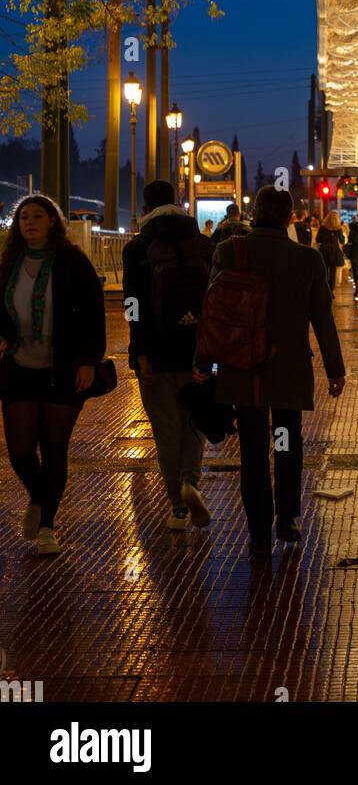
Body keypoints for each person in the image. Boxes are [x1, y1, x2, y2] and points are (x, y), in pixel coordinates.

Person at [195, 185, 345, 558]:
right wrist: (334, 368)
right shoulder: (307, 259)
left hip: (242, 372)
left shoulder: (231, 251)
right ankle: (288, 519)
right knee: (286, 442)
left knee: (252, 451)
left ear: (255, 212)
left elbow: (211, 310)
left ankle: (258, 529)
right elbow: (322, 318)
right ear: (289, 217)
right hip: (287, 373)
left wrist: (202, 361)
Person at [0, 195, 105, 556]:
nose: (29, 222)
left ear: (52, 221)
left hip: (63, 367)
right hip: (19, 365)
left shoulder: (71, 261)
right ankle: (39, 496)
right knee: (20, 450)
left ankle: (47, 527)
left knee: (54, 446)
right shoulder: (9, 263)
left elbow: (93, 311)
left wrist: (89, 360)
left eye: (37, 216)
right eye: (23, 217)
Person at [123, 179, 213, 531]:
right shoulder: (201, 244)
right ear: (177, 203)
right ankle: (191, 481)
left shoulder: (138, 247)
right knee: (194, 424)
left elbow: (132, 304)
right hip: (198, 351)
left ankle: (177, 506)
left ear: (145, 208)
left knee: (166, 428)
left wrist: (139, 351)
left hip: (156, 352)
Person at [316, 211, 346, 293]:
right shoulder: (338, 229)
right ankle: (331, 291)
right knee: (333, 272)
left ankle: (324, 290)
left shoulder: (322, 228)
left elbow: (317, 239)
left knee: (324, 271)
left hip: (324, 251)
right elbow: (342, 241)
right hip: (334, 251)